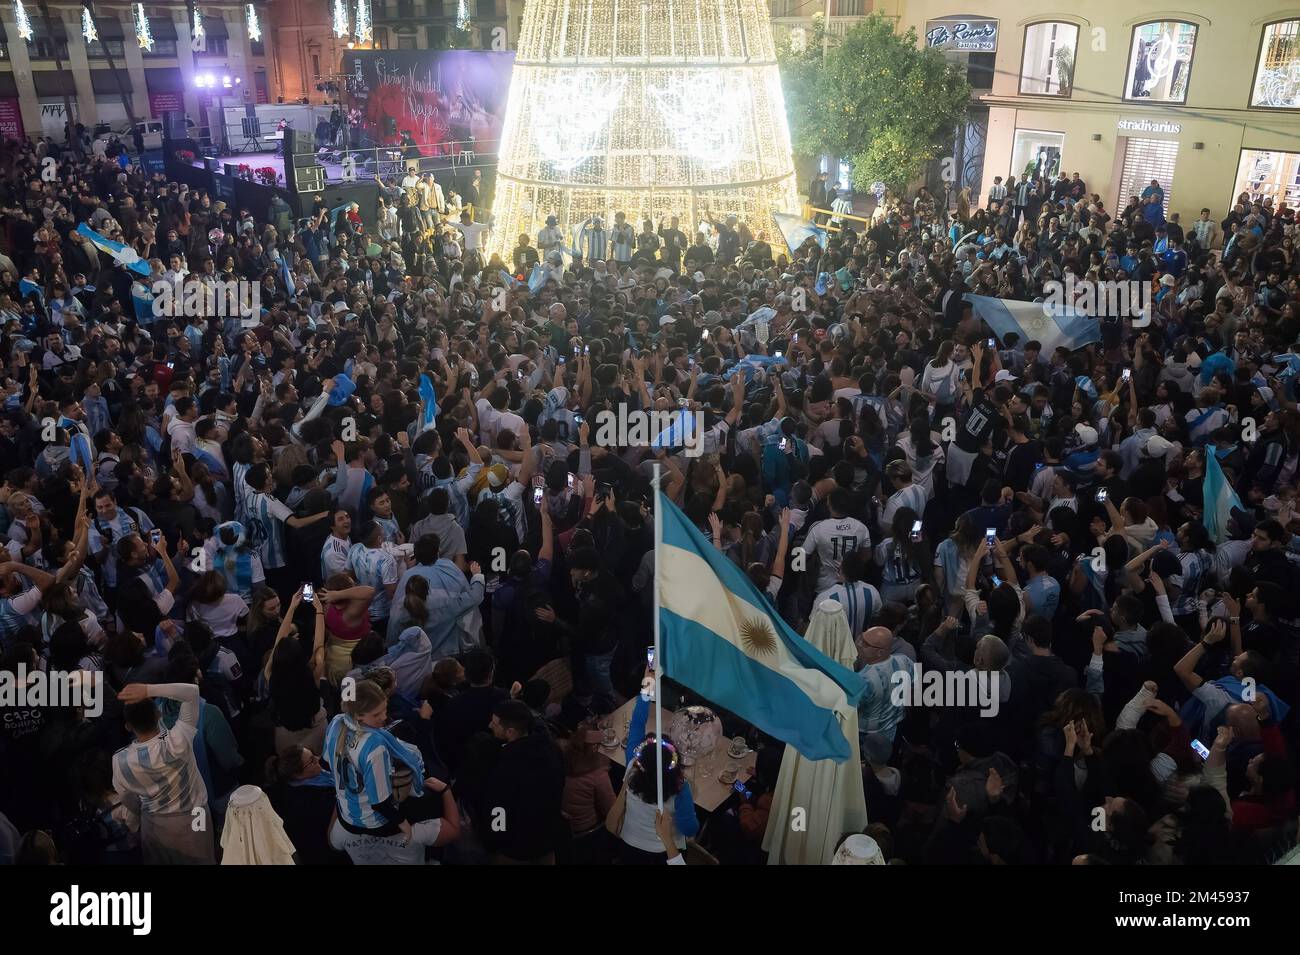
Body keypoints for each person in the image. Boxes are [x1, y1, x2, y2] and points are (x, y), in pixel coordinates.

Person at [322, 677, 460, 864]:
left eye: (384, 710)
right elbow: (380, 802)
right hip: (376, 821)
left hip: (347, 817)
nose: (384, 717)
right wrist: (404, 824)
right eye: (377, 714)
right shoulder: (375, 745)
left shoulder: (336, 723)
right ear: (359, 716)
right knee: (428, 799)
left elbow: (328, 761)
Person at [112, 680, 215, 864]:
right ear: (158, 713)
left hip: (155, 825)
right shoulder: (178, 742)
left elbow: (128, 800)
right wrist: (148, 689)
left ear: (128, 726)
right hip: (195, 816)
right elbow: (192, 692)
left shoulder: (120, 761)